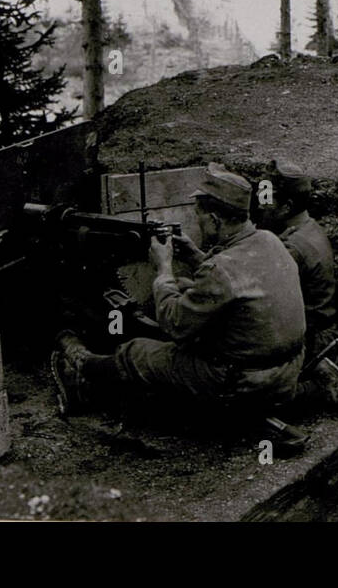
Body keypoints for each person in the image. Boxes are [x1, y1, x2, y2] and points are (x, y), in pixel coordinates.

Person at [51, 162, 306, 419]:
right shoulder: (269, 240)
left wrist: (163, 268)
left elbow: (174, 324)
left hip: (241, 384)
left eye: (200, 216)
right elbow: (237, 282)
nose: (198, 221)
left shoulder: (220, 271)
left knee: (137, 352)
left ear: (215, 220)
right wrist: (196, 257)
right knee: (186, 290)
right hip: (284, 375)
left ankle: (82, 371)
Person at [257, 160, 338, 417]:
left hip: (309, 343)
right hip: (321, 333)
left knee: (251, 394)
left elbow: (255, 294)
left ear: (286, 207)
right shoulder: (307, 228)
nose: (260, 206)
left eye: (266, 199)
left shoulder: (292, 247)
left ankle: (315, 388)